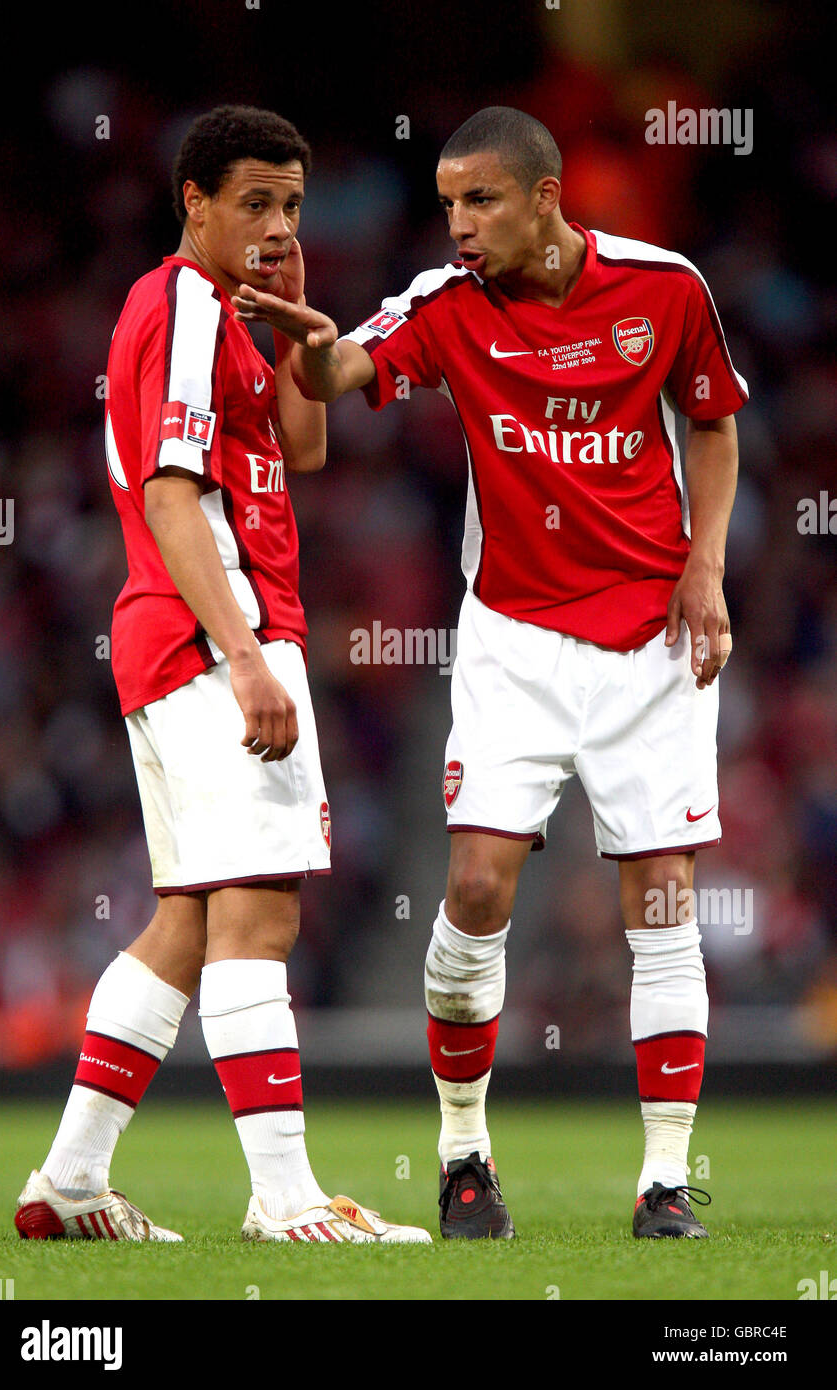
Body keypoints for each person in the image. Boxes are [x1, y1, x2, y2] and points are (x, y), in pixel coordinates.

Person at [232, 105, 748, 1241]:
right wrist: (305, 344)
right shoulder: (444, 303)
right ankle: (463, 1154)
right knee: (470, 889)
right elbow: (340, 373)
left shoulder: (664, 289)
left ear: (547, 197)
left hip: (652, 640)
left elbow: (709, 425)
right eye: (447, 204)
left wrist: (704, 567)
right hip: (514, 638)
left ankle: (664, 1180)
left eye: (480, 201)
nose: (458, 225)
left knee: (660, 900)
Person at [14, 104, 429, 1246]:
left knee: (190, 924)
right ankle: (287, 1200)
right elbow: (167, 493)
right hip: (214, 636)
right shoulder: (187, 306)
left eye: (291, 205)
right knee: (261, 910)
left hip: (174, 636)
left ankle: (68, 1181)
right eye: (253, 202)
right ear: (191, 201)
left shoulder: (205, 315)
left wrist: (306, 340)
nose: (275, 225)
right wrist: (245, 659)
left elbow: (301, 448)